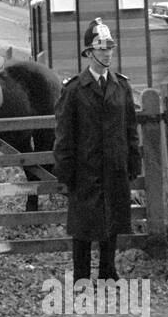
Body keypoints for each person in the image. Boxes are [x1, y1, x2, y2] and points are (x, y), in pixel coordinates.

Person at [53, 19, 141, 283]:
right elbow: (64, 136)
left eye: (110, 47)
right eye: (101, 48)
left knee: (112, 220)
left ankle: (107, 271)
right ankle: (81, 275)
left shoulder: (121, 86)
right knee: (82, 225)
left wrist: (132, 162)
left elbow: (130, 129)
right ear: (89, 53)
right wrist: (65, 173)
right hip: (85, 169)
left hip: (114, 167)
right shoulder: (74, 90)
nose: (107, 53)